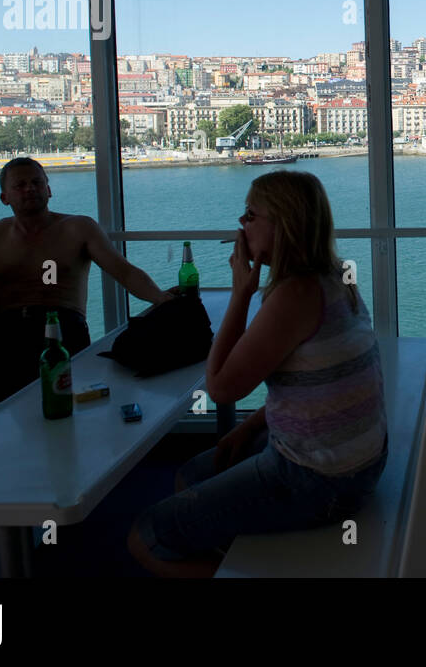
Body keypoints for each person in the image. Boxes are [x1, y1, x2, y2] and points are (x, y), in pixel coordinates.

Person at [128, 170, 387, 577]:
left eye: (250, 214)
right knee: (192, 475)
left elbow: (220, 389)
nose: (241, 223)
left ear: (282, 224)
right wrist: (250, 427)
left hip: (320, 481)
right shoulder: (336, 277)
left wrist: (241, 292)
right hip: (358, 462)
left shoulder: (292, 295)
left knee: (146, 538)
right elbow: (317, 386)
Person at [0, 156, 173, 422]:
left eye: (37, 182)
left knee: (56, 404)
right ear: (4, 197)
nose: (30, 189)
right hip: (9, 332)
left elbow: (124, 271)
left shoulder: (78, 228)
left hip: (63, 328)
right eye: (20, 185)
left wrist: (161, 298)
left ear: (49, 190)